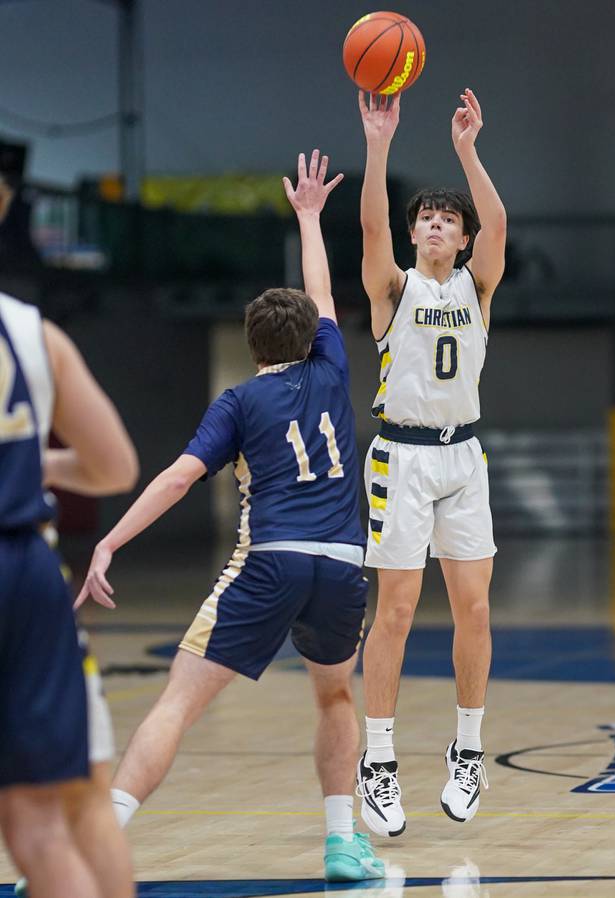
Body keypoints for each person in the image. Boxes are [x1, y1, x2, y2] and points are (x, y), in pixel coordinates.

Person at [75, 149, 385, 883]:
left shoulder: (239, 402)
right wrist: (309, 216)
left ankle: (96, 848)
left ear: (252, 349)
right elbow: (324, 292)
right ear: (311, 339)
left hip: (271, 561)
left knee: (179, 703)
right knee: (337, 694)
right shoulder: (333, 367)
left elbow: (181, 479)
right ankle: (343, 843)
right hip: (344, 566)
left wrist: (110, 541)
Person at [354, 88, 507, 837]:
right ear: (415, 234)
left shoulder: (479, 288)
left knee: (475, 608)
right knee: (400, 611)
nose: (435, 223)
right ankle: (377, 763)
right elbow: (372, 224)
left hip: (464, 458)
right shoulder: (394, 289)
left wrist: (467, 150)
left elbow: (500, 224)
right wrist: (379, 144)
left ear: (463, 237)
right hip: (402, 460)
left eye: (448, 218)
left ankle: (468, 751)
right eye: (426, 217)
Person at [0, 167, 139, 898]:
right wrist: (32, 460)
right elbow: (113, 465)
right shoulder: (30, 331)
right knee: (64, 812)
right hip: (27, 573)